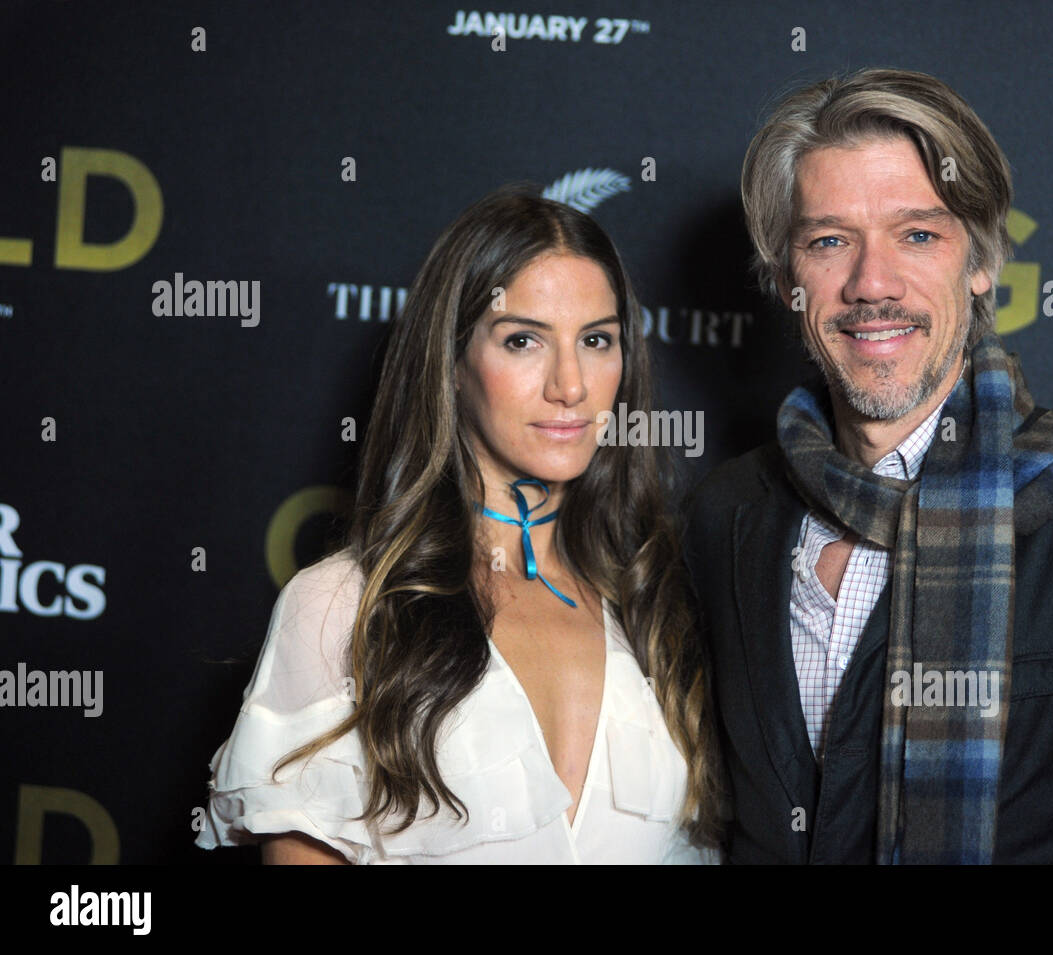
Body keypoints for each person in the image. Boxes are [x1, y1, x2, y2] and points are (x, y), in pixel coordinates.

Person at [683, 67, 1053, 864]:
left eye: (918, 234)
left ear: (981, 263)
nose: (871, 283)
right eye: (828, 241)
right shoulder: (725, 513)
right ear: (788, 279)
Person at [196, 185, 722, 864]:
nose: (570, 384)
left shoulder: (661, 608)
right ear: (450, 363)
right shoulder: (343, 608)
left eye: (597, 340)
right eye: (523, 339)